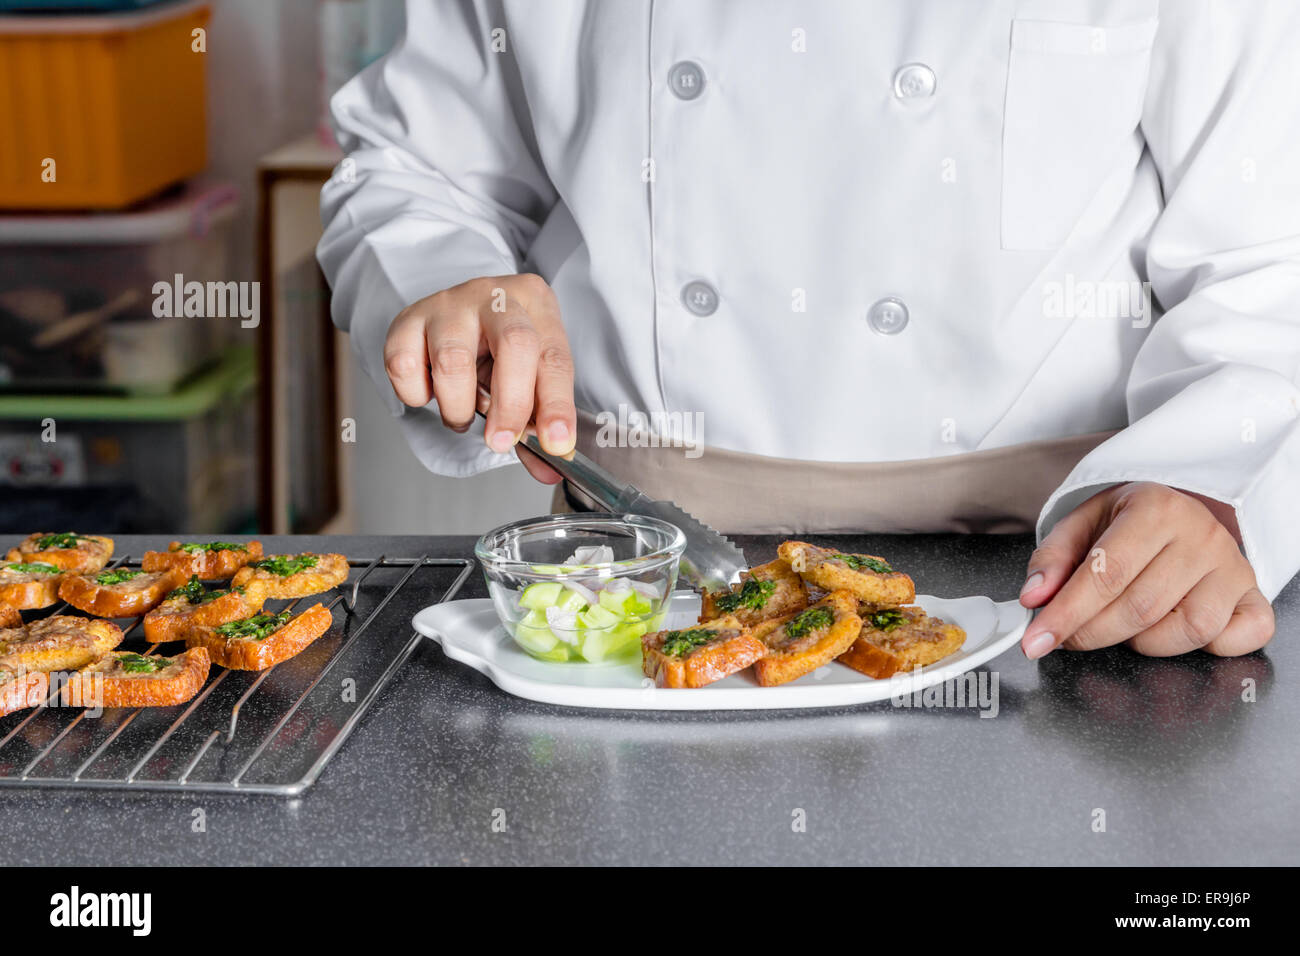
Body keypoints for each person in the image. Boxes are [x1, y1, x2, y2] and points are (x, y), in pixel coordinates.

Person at [318, 1, 1298, 660]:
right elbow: (415, 167)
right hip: (634, 581)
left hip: (1070, 580)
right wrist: (455, 287)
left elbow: (1269, 252)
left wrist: (1209, 486)